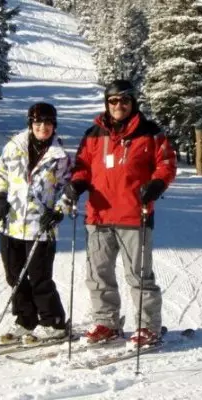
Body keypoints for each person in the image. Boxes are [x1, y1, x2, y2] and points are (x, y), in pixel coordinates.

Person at [62, 80, 177, 347]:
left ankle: (148, 327)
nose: (118, 105)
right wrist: (77, 183)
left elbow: (167, 163)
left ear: (133, 102)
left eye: (124, 100)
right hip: (99, 215)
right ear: (106, 103)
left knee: (139, 275)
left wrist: (157, 184)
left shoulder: (150, 132)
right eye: (113, 101)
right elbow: (82, 166)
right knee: (98, 274)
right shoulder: (93, 134)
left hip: (135, 215)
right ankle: (107, 323)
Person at [0, 102, 71, 340]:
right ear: (31, 124)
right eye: (38, 123)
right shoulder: (14, 146)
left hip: (41, 226)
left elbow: (69, 187)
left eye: (48, 123)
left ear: (53, 125)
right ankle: (26, 319)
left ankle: (54, 322)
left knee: (39, 277)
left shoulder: (60, 156)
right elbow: (0, 173)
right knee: (14, 276)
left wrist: (59, 210)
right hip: (11, 222)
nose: (43, 128)